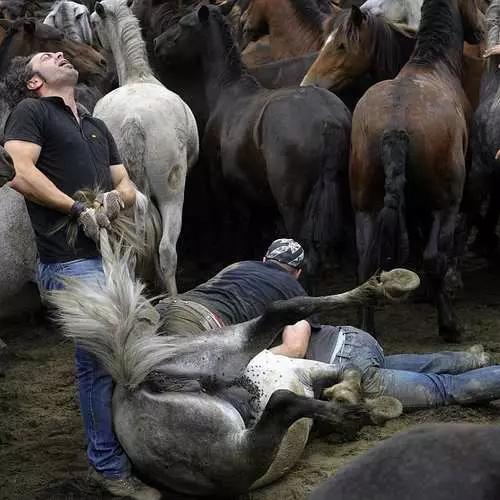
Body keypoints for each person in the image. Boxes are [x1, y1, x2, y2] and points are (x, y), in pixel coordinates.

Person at [3, 53, 161, 500]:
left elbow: (126, 184)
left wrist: (114, 201)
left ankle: (135, 448)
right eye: (47, 56)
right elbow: (21, 173)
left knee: (133, 350)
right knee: (97, 366)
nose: (60, 54)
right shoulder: (30, 113)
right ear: (35, 81)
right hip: (68, 261)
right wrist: (75, 209)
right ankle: (107, 467)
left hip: (111, 258)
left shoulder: (95, 125)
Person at [157, 237, 316, 356]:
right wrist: (243, 359)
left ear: (264, 259)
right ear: (298, 273)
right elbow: (295, 348)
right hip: (198, 321)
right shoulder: (295, 290)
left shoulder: (239, 265)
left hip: (164, 307)